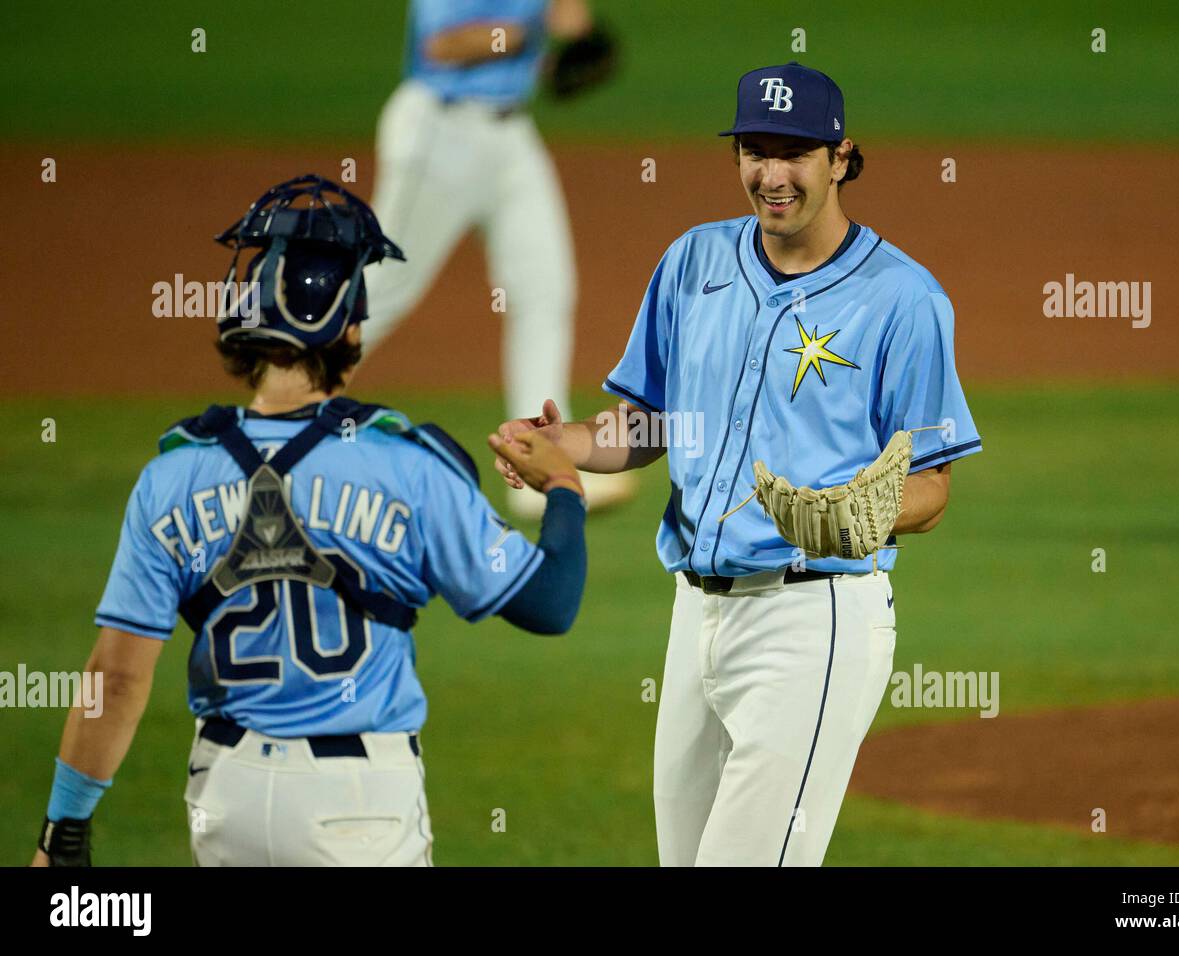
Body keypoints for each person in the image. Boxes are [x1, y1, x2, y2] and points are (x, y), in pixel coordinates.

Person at [493, 64, 983, 866]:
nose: (772, 174)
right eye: (755, 150)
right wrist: (564, 447)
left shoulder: (904, 300)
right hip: (695, 619)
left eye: (794, 153)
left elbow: (932, 484)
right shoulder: (694, 261)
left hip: (811, 621)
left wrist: (864, 514)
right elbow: (649, 422)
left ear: (841, 156)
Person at [33, 175, 587, 867]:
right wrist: (563, 487)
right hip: (358, 808)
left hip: (225, 799)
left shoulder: (171, 476)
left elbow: (114, 680)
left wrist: (65, 835)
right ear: (349, 329)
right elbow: (550, 603)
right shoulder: (405, 465)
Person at [363, 0, 634, 518]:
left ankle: (537, 466)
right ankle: (278, 422)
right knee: (376, 293)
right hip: (439, 134)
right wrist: (537, 25)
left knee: (544, 289)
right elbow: (442, 46)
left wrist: (572, 40)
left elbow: (554, 38)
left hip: (510, 135)